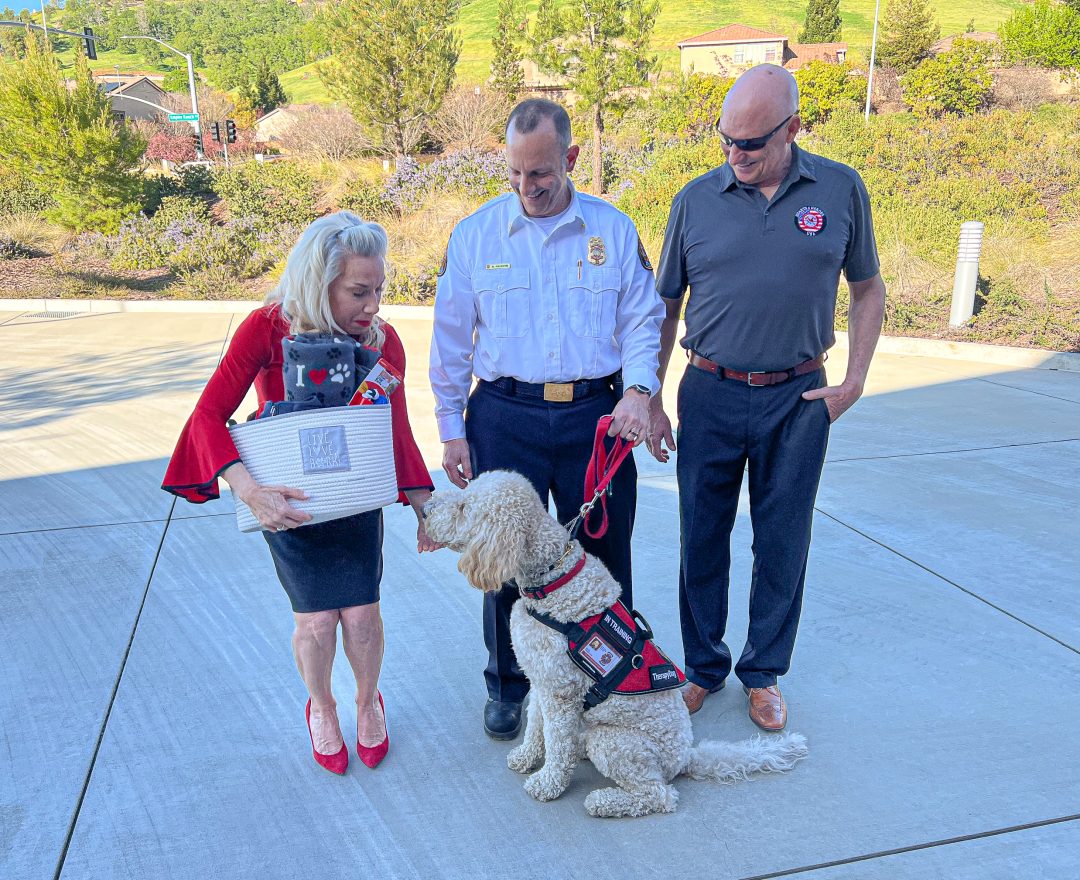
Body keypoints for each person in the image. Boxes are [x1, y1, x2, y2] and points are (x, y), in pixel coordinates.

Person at [649, 64, 886, 731]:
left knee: (783, 540)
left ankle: (763, 673)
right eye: (726, 140)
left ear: (793, 128)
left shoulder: (840, 190)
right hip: (711, 391)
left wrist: (854, 380)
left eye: (752, 143)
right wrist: (655, 396)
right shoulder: (695, 200)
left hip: (800, 397)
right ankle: (702, 665)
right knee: (703, 536)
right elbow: (666, 308)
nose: (736, 155)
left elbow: (868, 290)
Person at [162, 212, 437, 774]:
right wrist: (250, 491)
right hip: (286, 502)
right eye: (359, 292)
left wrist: (424, 509)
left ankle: (367, 703)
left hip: (354, 499)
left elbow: (398, 430)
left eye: (379, 289)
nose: (374, 306)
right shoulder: (267, 327)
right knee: (315, 621)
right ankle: (322, 706)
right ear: (320, 283)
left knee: (361, 615)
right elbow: (207, 416)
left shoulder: (383, 343)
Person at [430, 98, 664, 740]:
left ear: (571, 158)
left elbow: (643, 321)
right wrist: (452, 426)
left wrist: (639, 391)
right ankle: (508, 686)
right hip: (505, 415)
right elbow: (450, 339)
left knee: (603, 554)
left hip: (598, 415)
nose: (527, 187)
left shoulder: (612, 230)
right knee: (505, 559)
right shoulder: (476, 234)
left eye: (541, 174)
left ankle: (610, 683)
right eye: (515, 174)